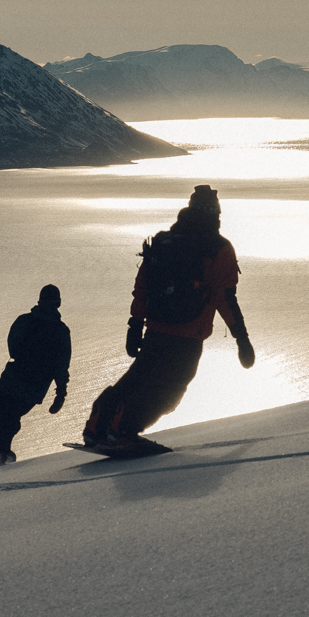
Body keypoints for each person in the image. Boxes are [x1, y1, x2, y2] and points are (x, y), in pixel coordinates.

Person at [82, 185, 253, 451]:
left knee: (138, 378)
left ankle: (98, 425)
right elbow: (225, 298)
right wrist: (242, 338)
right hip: (188, 333)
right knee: (170, 391)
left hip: (156, 328)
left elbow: (143, 287)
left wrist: (135, 325)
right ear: (216, 213)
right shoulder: (219, 248)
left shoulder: (164, 242)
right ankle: (123, 429)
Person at [0, 284, 72, 464]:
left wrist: (25, 357)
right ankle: (0, 451)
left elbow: (13, 348)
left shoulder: (24, 321)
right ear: (58, 303)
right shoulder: (61, 331)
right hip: (35, 387)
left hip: (12, 380)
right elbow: (62, 366)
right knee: (11, 418)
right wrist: (60, 393)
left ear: (39, 300)